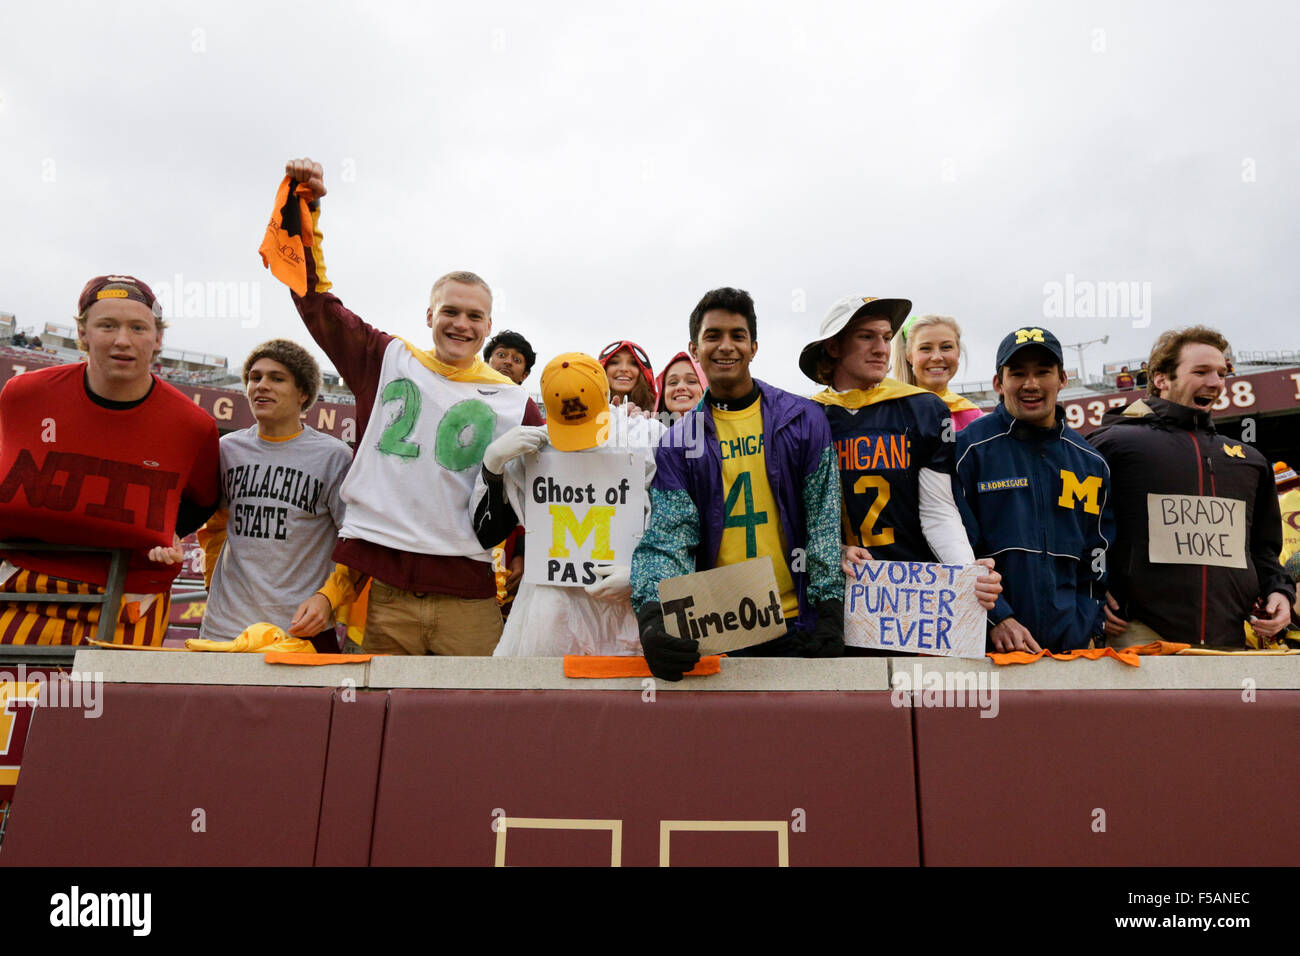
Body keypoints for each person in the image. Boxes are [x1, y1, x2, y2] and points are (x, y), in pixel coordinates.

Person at [280, 157, 543, 656]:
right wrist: (305, 211)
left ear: (488, 326)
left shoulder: (513, 403)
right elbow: (316, 303)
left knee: (473, 724)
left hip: (469, 597)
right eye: (450, 311)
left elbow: (555, 479)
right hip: (390, 593)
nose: (460, 324)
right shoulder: (386, 360)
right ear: (429, 315)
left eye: (474, 316)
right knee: (384, 720)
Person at [630, 288, 845, 679]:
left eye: (737, 335)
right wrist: (652, 615)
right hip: (718, 627)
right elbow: (668, 538)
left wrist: (830, 608)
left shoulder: (804, 418)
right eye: (713, 336)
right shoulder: (678, 442)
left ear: (754, 347)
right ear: (694, 349)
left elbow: (823, 520)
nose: (725, 346)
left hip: (797, 622)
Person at [0, 275, 219, 645]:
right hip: (18, 588)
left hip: (131, 601)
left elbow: (204, 501)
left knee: (105, 703)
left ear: (158, 338)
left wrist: (167, 530)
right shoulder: (23, 395)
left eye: (137, 327)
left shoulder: (193, 426)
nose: (122, 340)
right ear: (83, 333)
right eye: (107, 325)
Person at [1088, 326, 1294, 648]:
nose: (1214, 383)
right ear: (1160, 379)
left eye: (1221, 373)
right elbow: (1073, 533)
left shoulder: (1250, 461)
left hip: (1230, 638)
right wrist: (1089, 593)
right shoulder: (1110, 446)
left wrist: (1279, 590)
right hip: (1138, 636)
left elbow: (1262, 549)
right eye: (1200, 372)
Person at [800, 295, 1001, 613]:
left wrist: (965, 574)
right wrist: (833, 549)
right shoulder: (805, 417)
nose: (881, 349)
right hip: (835, 592)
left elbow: (939, 512)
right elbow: (795, 517)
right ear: (834, 347)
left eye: (886, 337)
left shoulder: (922, 408)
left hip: (911, 589)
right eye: (866, 337)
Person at [471, 353, 665, 655]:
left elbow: (678, 519)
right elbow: (489, 533)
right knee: (550, 697)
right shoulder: (533, 447)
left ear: (606, 396)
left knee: (622, 698)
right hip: (550, 613)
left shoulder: (645, 437)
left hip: (625, 612)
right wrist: (492, 466)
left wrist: (642, 573)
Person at [953, 326, 1114, 654]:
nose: (1031, 384)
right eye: (1018, 373)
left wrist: (1089, 624)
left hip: (1071, 649)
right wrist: (997, 618)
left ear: (1062, 379)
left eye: (1043, 372)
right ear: (999, 382)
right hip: (988, 648)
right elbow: (955, 551)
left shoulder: (1090, 462)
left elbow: (1097, 554)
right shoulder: (968, 449)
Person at [196, 339, 352, 652]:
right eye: (255, 377)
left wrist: (328, 598)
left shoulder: (334, 457)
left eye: (277, 378)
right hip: (225, 627)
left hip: (300, 629)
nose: (261, 386)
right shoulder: (227, 450)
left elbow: (354, 541)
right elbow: (214, 527)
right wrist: (212, 581)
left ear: (303, 394)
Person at [889, 313, 984, 431]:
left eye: (946, 347)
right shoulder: (888, 414)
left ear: (958, 352)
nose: (937, 357)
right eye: (925, 348)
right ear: (909, 355)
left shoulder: (973, 417)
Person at [599, 340, 656, 410]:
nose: (624, 369)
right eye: (615, 362)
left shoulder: (659, 413)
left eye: (633, 363)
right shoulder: (584, 412)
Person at [653, 351, 707, 419]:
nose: (680, 387)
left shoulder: (721, 428)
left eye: (691, 381)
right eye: (673, 382)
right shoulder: (648, 428)